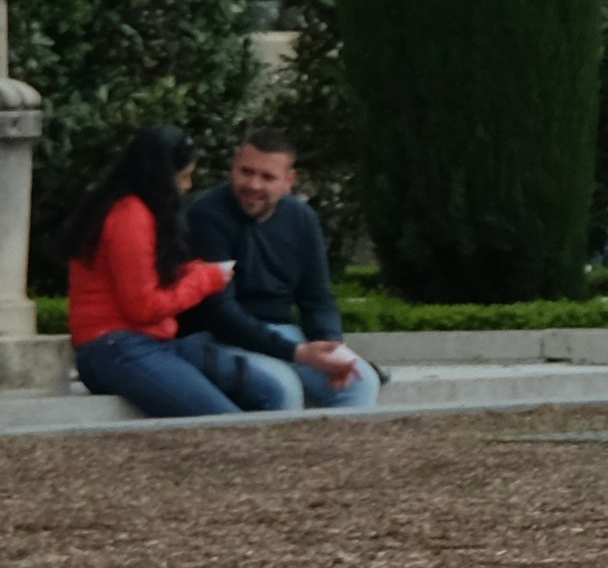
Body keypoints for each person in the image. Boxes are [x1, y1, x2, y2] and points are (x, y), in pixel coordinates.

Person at [61, 126, 298, 418]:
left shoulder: (136, 210)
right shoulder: (129, 216)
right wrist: (205, 279)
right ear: (162, 178)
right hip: (115, 346)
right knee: (225, 423)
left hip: (154, 343)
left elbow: (148, 278)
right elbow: (144, 306)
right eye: (184, 177)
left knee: (270, 391)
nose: (186, 187)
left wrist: (190, 271)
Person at [181, 128, 377, 409]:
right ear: (233, 167)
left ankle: (338, 454)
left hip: (281, 334)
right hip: (212, 337)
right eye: (246, 172)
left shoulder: (302, 219)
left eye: (267, 177)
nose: (254, 184)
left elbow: (317, 296)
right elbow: (218, 312)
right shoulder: (205, 215)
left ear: (289, 181)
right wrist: (297, 352)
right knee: (280, 388)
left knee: (361, 380)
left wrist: (329, 345)